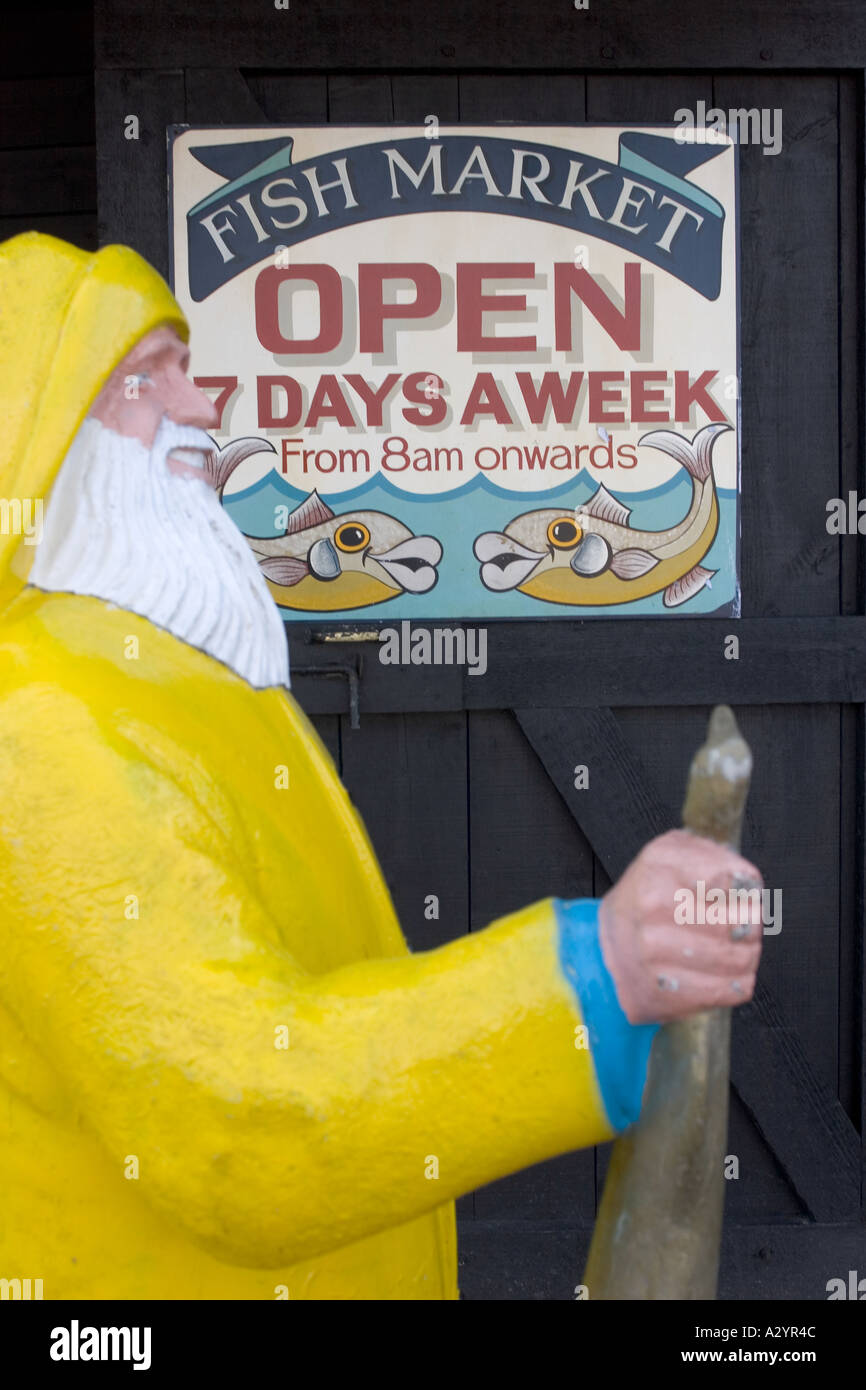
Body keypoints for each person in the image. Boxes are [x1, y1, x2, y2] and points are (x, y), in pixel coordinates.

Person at [0, 232, 762, 1300]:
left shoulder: (161, 683)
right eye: (142, 378)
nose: (202, 406)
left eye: (184, 364)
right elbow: (237, 1124)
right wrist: (590, 976)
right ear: (30, 432)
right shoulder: (41, 723)